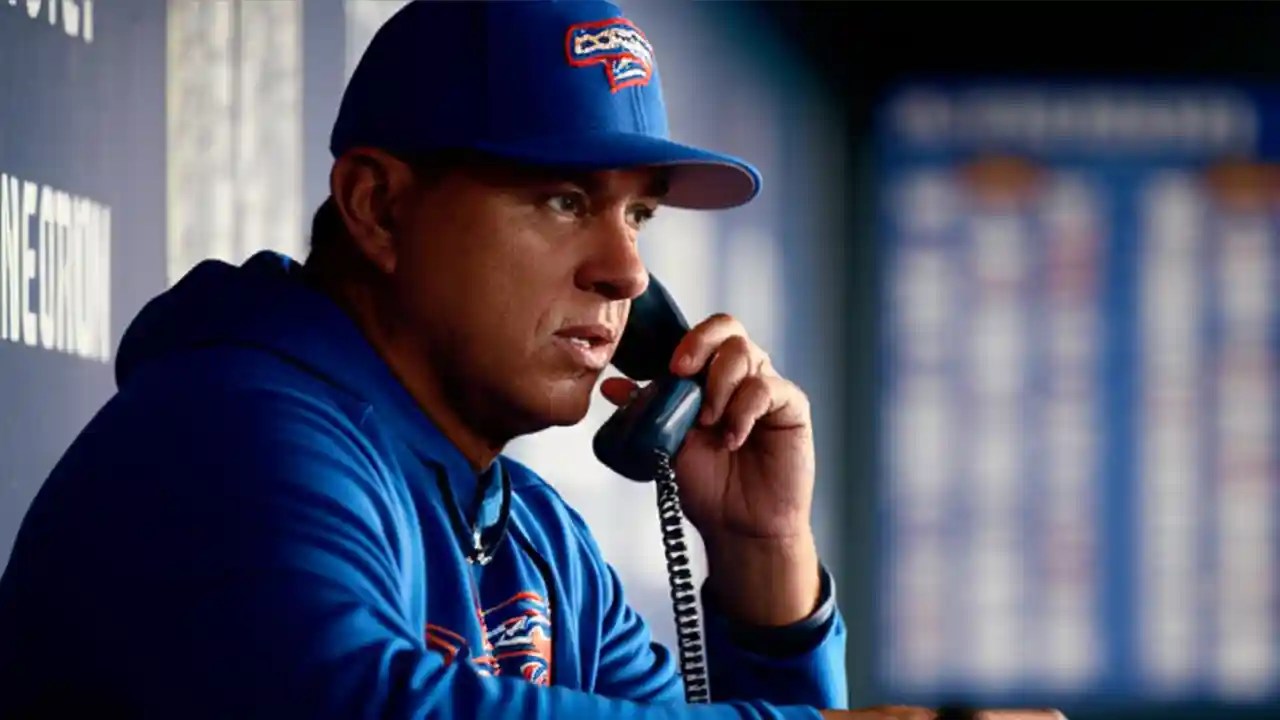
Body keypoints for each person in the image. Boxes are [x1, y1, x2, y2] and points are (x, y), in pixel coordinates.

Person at [0, 3, 1051, 719]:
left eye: (636, 212)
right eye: (560, 201)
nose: (627, 273)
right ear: (377, 205)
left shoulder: (529, 530)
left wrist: (760, 549)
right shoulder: (231, 431)